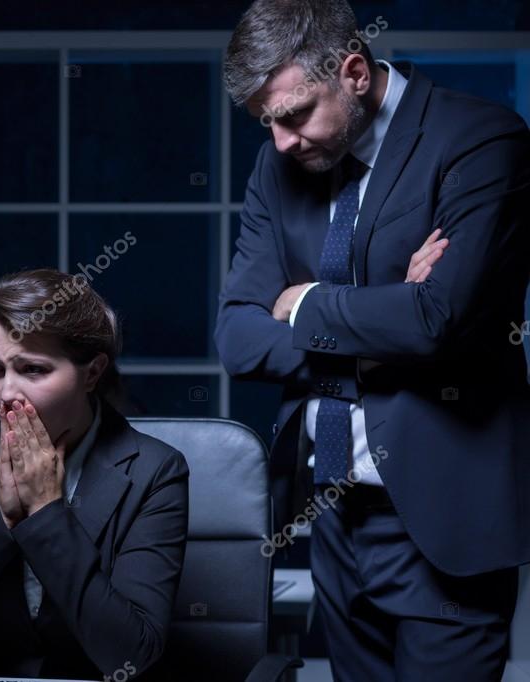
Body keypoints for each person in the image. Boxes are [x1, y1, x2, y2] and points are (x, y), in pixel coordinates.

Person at [217, 0, 530, 679]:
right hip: (332, 517)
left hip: (446, 517)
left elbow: (437, 320)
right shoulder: (279, 167)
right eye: (265, 122)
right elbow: (238, 339)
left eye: (294, 114)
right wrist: (390, 311)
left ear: (353, 71)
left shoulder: (479, 140)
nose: (280, 142)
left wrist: (301, 304)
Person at [0, 268, 189, 681]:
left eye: (32, 370)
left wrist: (45, 512)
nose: (7, 393)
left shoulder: (156, 471)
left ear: (93, 373)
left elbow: (129, 655)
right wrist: (2, 520)